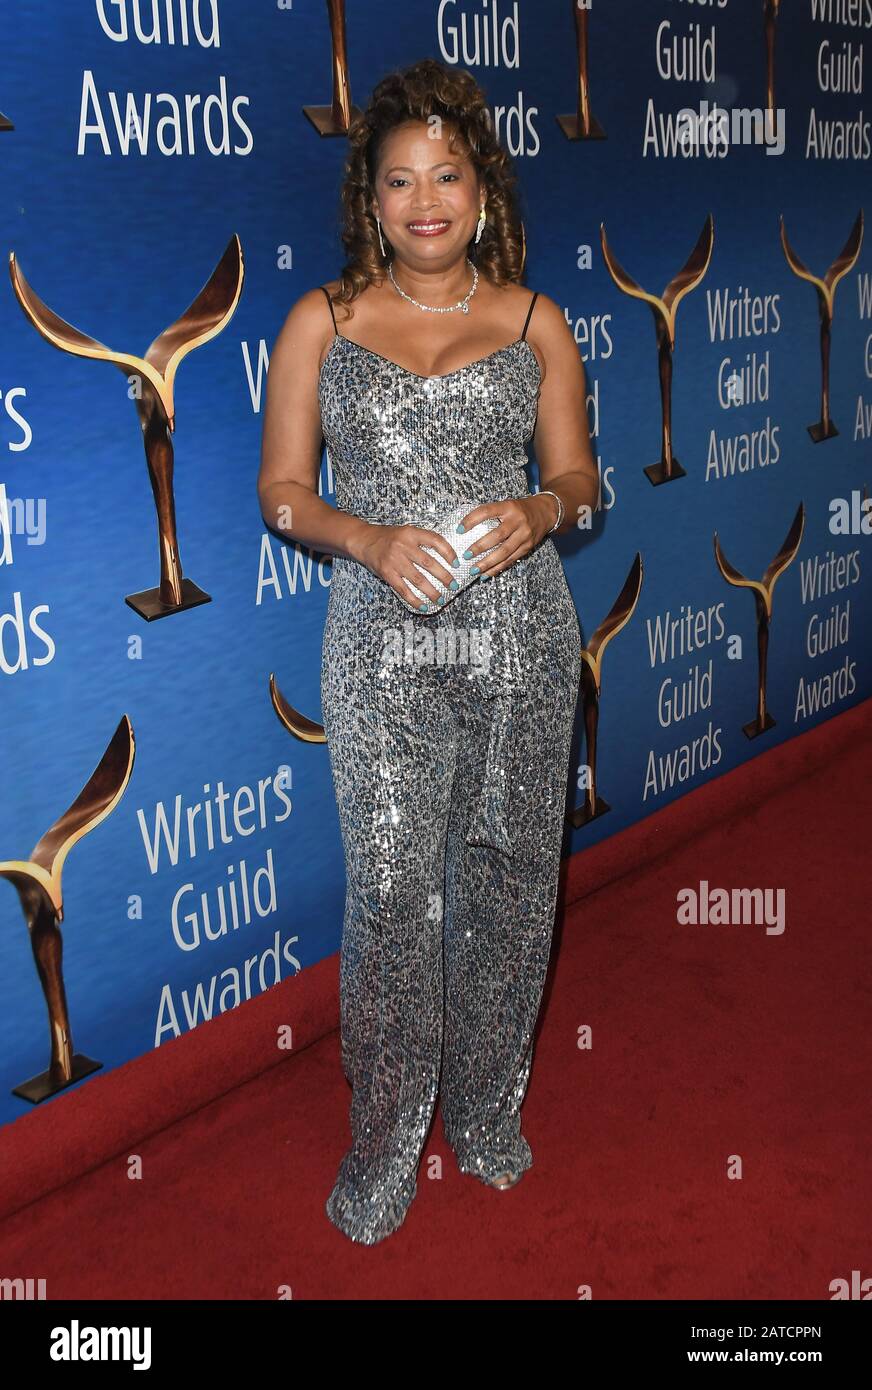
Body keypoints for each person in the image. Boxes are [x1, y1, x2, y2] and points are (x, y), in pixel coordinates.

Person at [258, 58, 599, 1245]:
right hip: (379, 638)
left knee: (510, 878)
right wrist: (365, 533)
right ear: (370, 201)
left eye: (446, 174)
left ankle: (489, 1109)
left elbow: (580, 478)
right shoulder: (323, 320)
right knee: (396, 891)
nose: (424, 200)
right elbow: (282, 497)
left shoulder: (532, 320)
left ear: (482, 192)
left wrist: (538, 514)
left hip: (520, 632)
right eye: (398, 180)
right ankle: (388, 1134)